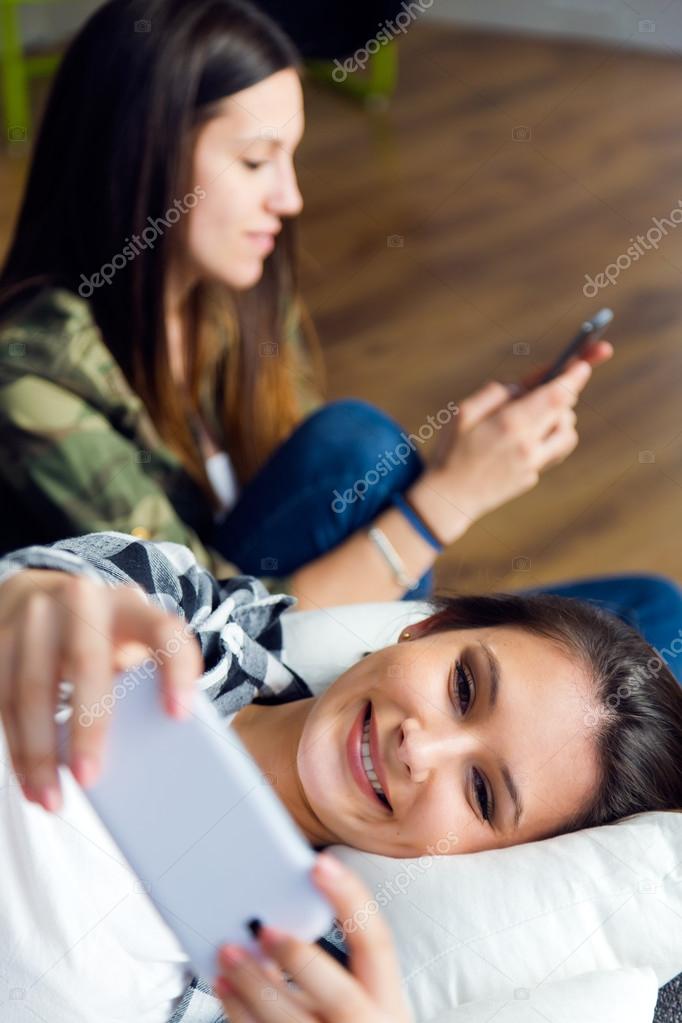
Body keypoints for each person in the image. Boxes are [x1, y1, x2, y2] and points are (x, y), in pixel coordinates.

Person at [0, 0, 612, 610]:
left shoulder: (236, 295)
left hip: (311, 626)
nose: (289, 198)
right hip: (215, 678)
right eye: (255, 161)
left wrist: (459, 462)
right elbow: (202, 629)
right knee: (359, 446)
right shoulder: (30, 377)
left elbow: (317, 507)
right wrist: (447, 500)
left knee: (654, 613)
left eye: (289, 158)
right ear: (141, 152)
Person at [0, 532, 680, 1021]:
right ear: (425, 627)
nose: (422, 748)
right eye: (464, 686)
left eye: (480, 791)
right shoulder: (170, 607)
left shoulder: (290, 987)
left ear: (481, 859)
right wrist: (23, 594)